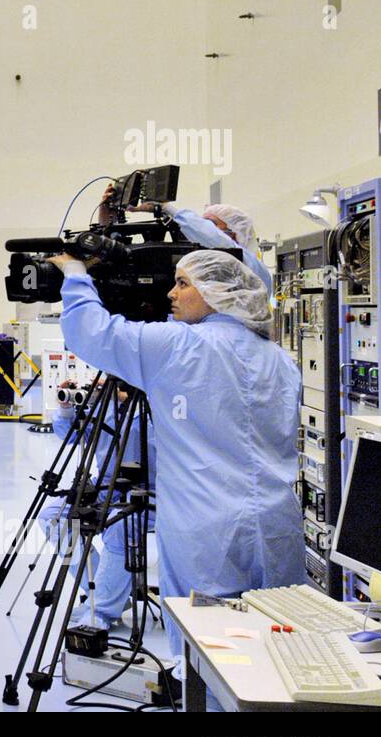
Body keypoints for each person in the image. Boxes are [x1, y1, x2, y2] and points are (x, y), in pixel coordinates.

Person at [50, 247, 302, 670]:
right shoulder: (279, 360)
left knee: (210, 652)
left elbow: (92, 333)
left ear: (219, 294)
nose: (171, 292)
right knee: (274, 651)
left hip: (207, 535)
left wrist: (76, 274)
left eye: (184, 283)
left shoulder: (178, 347)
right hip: (278, 525)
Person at [41, 384, 155, 630]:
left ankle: (101, 610)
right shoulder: (106, 406)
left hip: (150, 491)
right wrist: (67, 408)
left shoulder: (154, 402)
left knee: (120, 526)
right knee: (54, 517)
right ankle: (103, 590)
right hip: (105, 486)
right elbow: (70, 436)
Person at [102, 187, 272, 292]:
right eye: (201, 223)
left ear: (234, 233)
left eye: (210, 224)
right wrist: (108, 215)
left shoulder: (253, 269)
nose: (202, 229)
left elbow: (216, 240)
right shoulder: (202, 268)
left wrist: (166, 208)